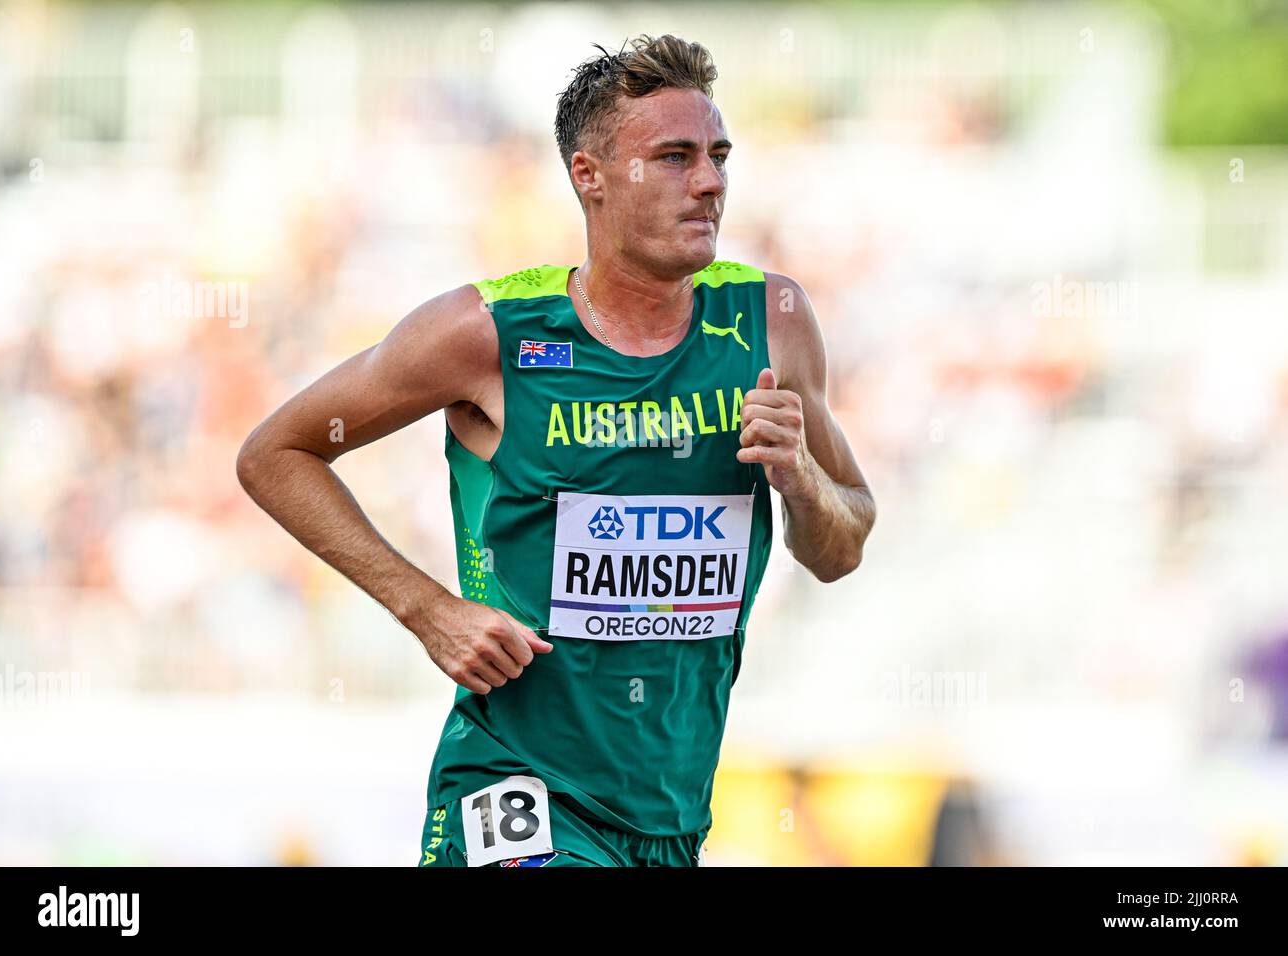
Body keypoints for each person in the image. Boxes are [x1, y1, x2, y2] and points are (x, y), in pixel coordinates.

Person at [236, 33, 876, 867]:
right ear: (590, 177)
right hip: (516, 785)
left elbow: (843, 544)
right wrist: (428, 609)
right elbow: (275, 453)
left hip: (671, 814)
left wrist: (799, 484)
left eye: (719, 155)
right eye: (675, 157)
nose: (712, 182)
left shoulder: (771, 323)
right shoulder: (486, 335)